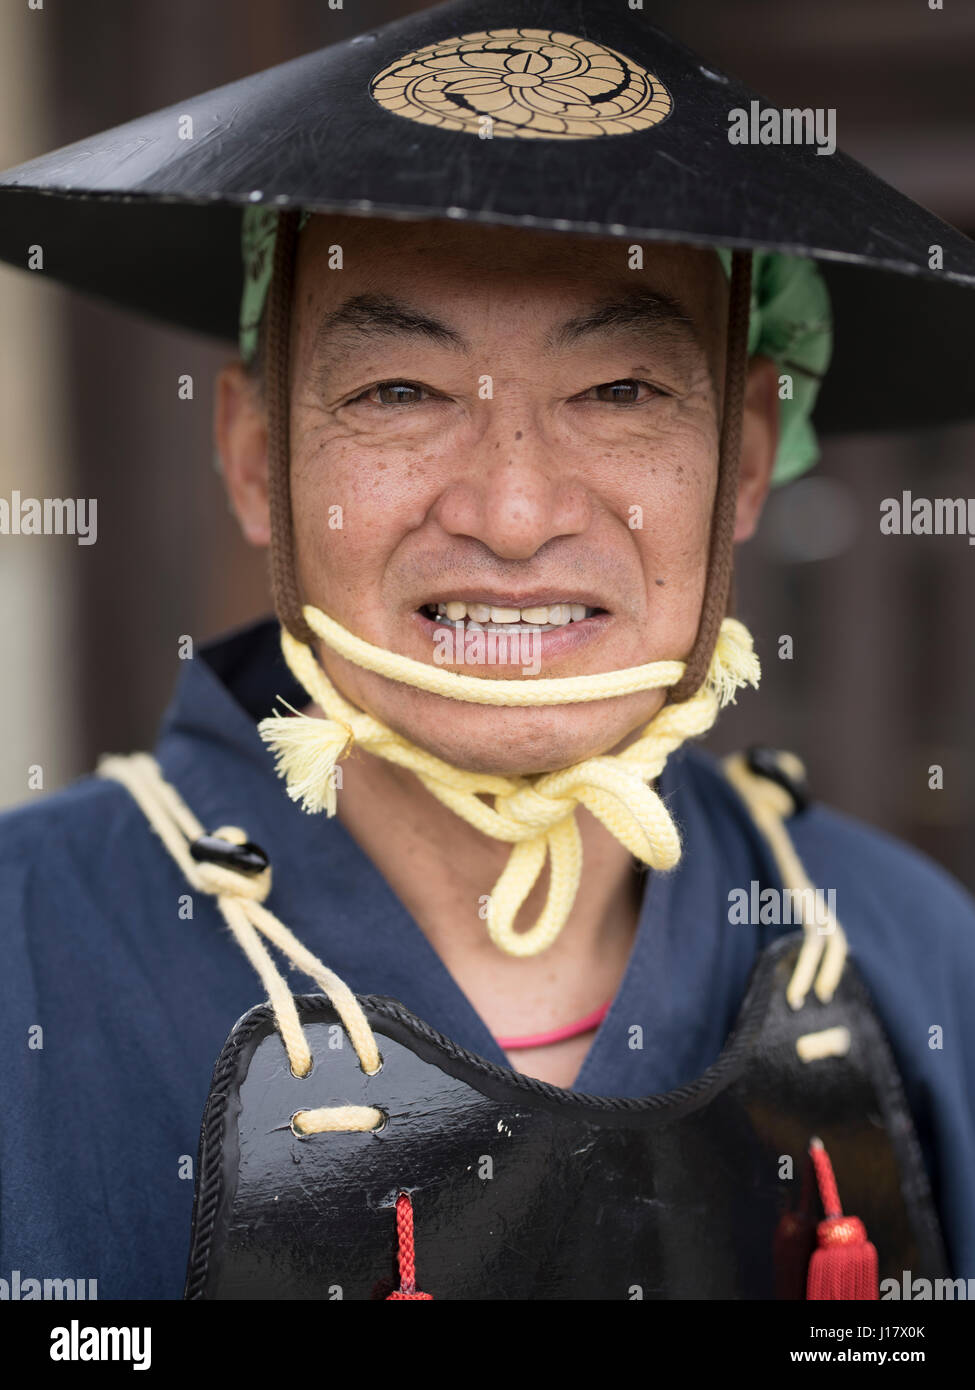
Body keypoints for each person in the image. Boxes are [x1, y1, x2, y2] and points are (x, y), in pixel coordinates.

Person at [1, 0, 973, 1301]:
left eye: (619, 391)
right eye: (398, 390)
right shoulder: (26, 951)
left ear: (745, 457)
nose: (513, 514)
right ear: (251, 455)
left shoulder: (907, 952)